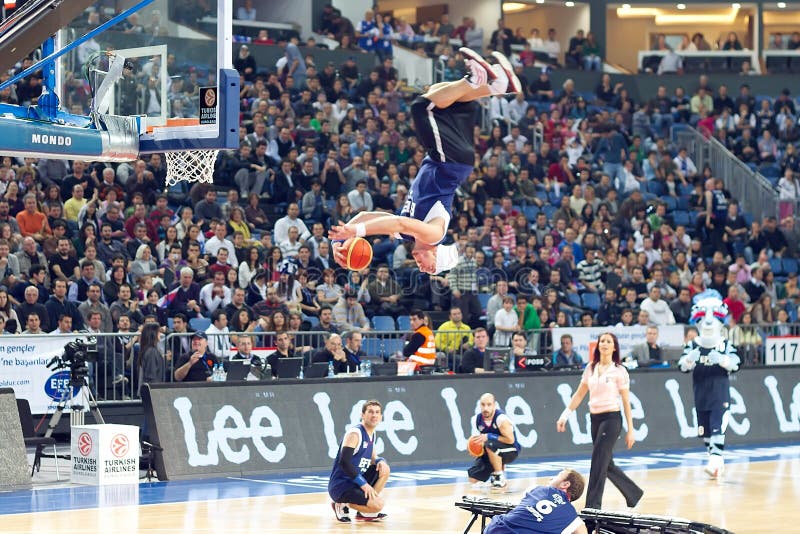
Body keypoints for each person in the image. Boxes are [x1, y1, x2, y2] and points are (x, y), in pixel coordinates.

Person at [330, 48, 521, 274]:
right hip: (450, 162)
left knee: (436, 95)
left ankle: (497, 86)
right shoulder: (433, 234)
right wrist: (357, 232)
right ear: (437, 254)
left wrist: (338, 242)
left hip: (448, 158)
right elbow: (397, 224)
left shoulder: (408, 234)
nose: (423, 268)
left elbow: (366, 216)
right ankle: (475, 80)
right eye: (431, 268)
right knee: (420, 108)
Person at [556, 332, 643, 509]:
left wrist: (631, 430)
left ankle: (592, 508)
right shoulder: (591, 368)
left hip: (612, 419)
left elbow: (626, 402)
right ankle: (633, 493)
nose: (604, 344)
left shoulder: (619, 370)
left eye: (608, 341)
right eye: (602, 341)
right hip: (595, 419)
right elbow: (580, 394)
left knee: (597, 462)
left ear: (614, 347)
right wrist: (565, 415)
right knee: (605, 462)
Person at [678, 296, 740, 479]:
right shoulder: (692, 345)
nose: (708, 320)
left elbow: (736, 364)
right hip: (700, 393)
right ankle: (716, 463)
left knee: (717, 427)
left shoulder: (725, 344)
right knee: (705, 432)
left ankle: (715, 459)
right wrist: (689, 359)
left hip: (719, 394)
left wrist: (722, 360)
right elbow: (681, 366)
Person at [329, 400, 390, 523]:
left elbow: (373, 456)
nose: (374, 415)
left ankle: (363, 511)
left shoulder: (371, 433)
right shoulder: (355, 434)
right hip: (341, 486)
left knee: (384, 469)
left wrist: (380, 460)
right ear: (362, 415)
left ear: (381, 416)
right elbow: (344, 462)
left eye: (377, 412)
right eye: (370, 412)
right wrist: (364, 484)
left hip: (355, 482)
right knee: (378, 505)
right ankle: (341, 504)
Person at [483, 469, 588, 534]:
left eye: (558, 475)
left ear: (565, 484)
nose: (551, 478)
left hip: (495, 528)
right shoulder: (573, 518)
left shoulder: (536, 488)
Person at [468, 393, 520, 490]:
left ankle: (499, 477)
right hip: (492, 449)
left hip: (511, 450)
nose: (485, 408)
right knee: (473, 478)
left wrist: (489, 436)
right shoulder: (476, 419)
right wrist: (476, 448)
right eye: (483, 405)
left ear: (494, 405)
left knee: (490, 444)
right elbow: (479, 440)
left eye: (489, 404)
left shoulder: (501, 418)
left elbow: (510, 440)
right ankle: (494, 475)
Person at [138, 323, 164, 396]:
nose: (160, 334)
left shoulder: (149, 350)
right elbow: (151, 375)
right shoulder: (151, 352)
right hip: (152, 392)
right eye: (158, 332)